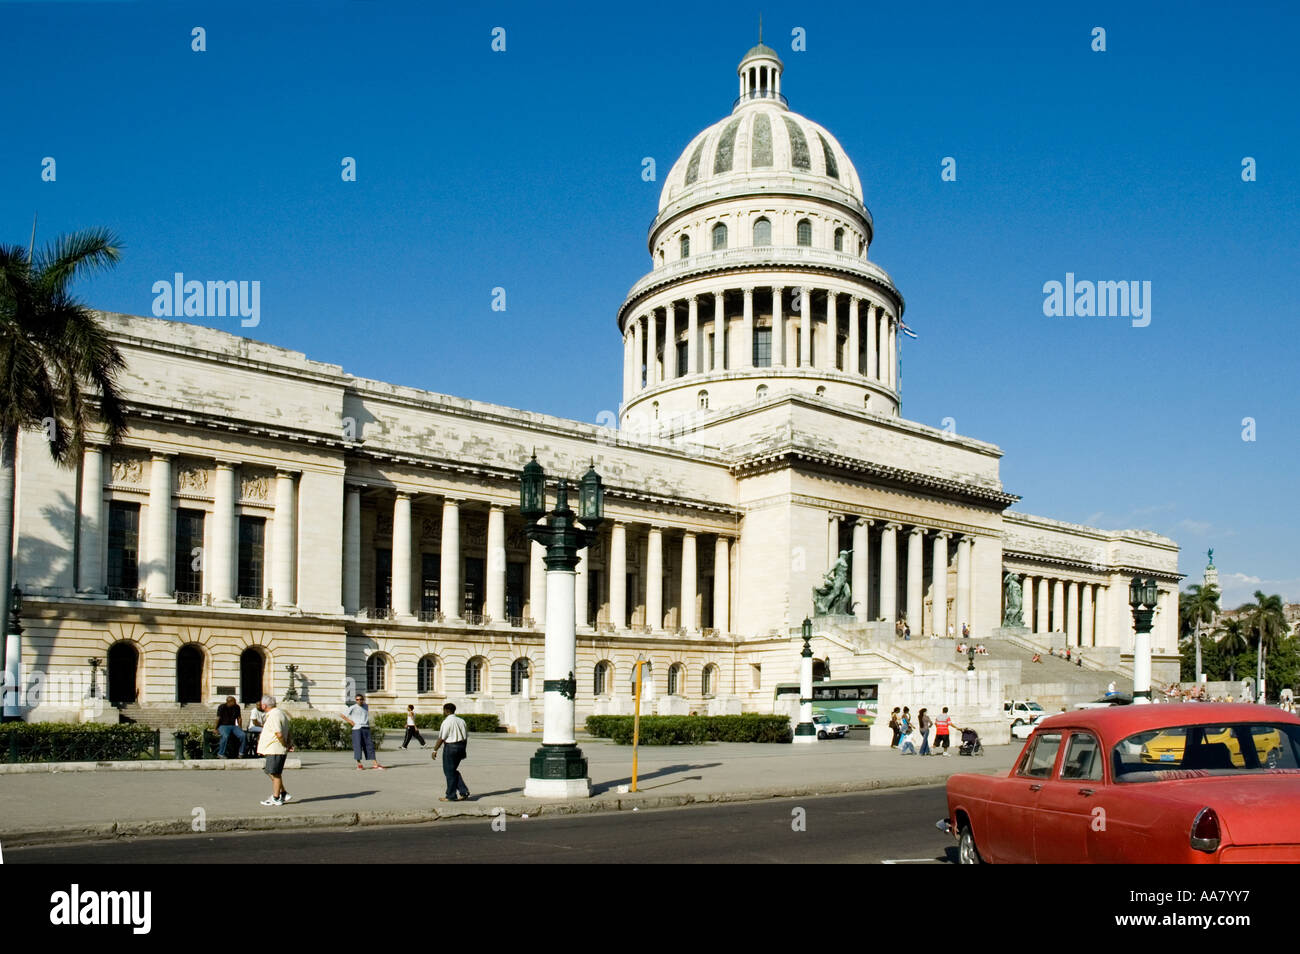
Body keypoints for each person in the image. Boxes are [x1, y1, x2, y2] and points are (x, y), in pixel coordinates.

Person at [257, 694, 293, 806]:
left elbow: (279, 733)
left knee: (275, 773)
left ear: (264, 705)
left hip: (275, 748)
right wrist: (289, 743)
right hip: (273, 748)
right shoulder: (280, 713)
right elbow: (289, 730)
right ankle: (283, 793)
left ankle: (276, 798)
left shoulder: (274, 715)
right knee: (271, 771)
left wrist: (285, 744)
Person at [432, 702, 471, 802]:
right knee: (452, 770)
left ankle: (451, 795)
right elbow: (465, 737)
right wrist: (464, 750)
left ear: (446, 711)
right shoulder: (462, 721)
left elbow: (441, 738)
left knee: (449, 771)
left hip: (451, 747)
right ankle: (464, 791)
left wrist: (435, 749)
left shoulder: (446, 722)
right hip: (461, 746)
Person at [342, 693, 385, 770]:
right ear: (355, 700)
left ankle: (375, 764)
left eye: (361, 699)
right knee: (358, 746)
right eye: (357, 699)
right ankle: (359, 764)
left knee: (370, 746)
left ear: (363, 700)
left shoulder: (366, 706)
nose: (359, 701)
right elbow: (342, 715)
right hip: (357, 729)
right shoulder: (353, 707)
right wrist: (350, 722)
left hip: (366, 728)